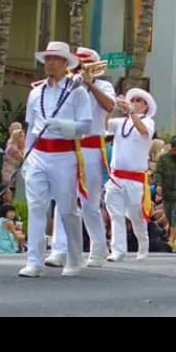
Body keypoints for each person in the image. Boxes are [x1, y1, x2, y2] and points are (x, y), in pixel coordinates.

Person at [18, 41, 91, 278]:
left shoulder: (77, 91)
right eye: (47, 58)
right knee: (36, 207)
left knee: (67, 209)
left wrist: (64, 126)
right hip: (39, 153)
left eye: (55, 59)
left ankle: (74, 256)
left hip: (64, 154)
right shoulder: (35, 93)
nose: (50, 63)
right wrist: (27, 157)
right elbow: (31, 128)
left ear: (65, 63)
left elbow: (86, 125)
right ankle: (34, 261)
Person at [47, 47, 113, 268]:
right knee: (62, 198)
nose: (79, 69)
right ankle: (59, 250)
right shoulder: (68, 86)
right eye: (77, 65)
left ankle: (98, 248)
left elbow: (110, 106)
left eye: (84, 65)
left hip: (91, 147)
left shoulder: (103, 85)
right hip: (69, 146)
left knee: (89, 203)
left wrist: (90, 84)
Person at [103, 88, 157, 261]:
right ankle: (118, 250)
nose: (133, 103)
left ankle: (143, 244)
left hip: (135, 178)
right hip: (116, 177)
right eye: (132, 100)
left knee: (135, 215)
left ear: (146, 106)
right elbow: (105, 125)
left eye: (138, 101)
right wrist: (111, 106)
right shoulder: (121, 122)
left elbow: (143, 131)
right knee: (115, 214)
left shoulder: (148, 121)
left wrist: (132, 112)